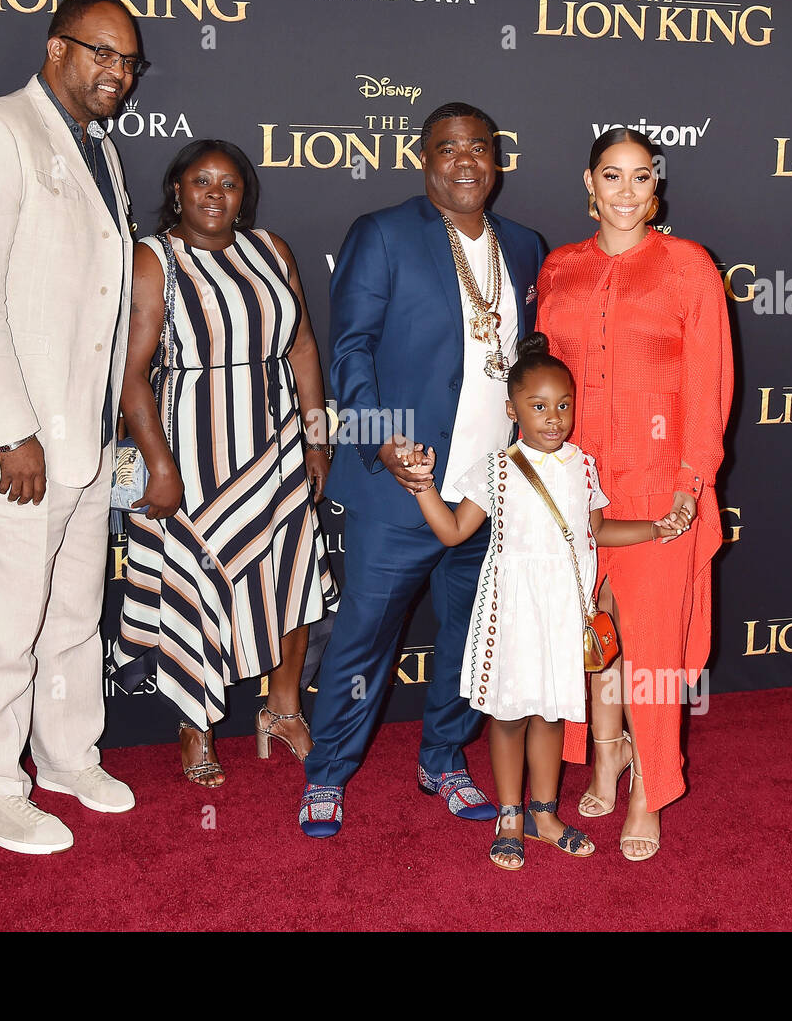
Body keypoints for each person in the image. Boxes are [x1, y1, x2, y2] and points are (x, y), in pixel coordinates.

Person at [0, 0, 144, 854]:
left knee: (75, 611)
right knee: (7, 622)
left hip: (81, 435)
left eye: (128, 60)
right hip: (13, 440)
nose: (116, 71)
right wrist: (12, 430)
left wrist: (101, 423)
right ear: (55, 49)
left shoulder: (100, 151)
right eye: (100, 52)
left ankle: (66, 754)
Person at [299, 102, 547, 838]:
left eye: (480, 149)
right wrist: (382, 440)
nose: (466, 161)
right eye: (449, 148)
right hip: (402, 484)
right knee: (365, 637)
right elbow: (351, 350)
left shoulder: (526, 246)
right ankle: (328, 774)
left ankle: (442, 757)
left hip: (491, 489)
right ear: (423, 158)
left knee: (472, 637)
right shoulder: (383, 233)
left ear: (497, 161)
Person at [398, 333, 682, 869]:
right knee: (508, 717)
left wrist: (654, 528)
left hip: (561, 613)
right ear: (512, 409)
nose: (553, 418)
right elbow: (455, 532)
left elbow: (597, 531)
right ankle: (509, 814)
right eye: (538, 406)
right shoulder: (496, 468)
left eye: (563, 406)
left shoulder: (583, 466)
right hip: (511, 611)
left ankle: (544, 814)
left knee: (550, 715)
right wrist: (422, 487)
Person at [537, 127, 734, 861]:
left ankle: (650, 787)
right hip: (576, 484)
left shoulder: (689, 267)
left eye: (640, 177)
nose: (625, 192)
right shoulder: (559, 268)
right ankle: (607, 755)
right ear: (588, 184)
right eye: (611, 177)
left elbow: (712, 383)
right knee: (596, 640)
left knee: (651, 646)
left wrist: (693, 480)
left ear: (658, 188)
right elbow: (542, 387)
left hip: (659, 486)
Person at [114, 139, 336, 787]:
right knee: (200, 588)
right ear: (177, 190)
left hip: (277, 448)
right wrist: (158, 464)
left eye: (229, 183)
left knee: (291, 582)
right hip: (195, 459)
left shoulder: (273, 251)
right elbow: (131, 376)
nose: (215, 194)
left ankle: (284, 708)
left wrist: (316, 441)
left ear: (246, 196)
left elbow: (300, 347)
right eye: (201, 181)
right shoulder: (155, 258)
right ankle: (196, 726)